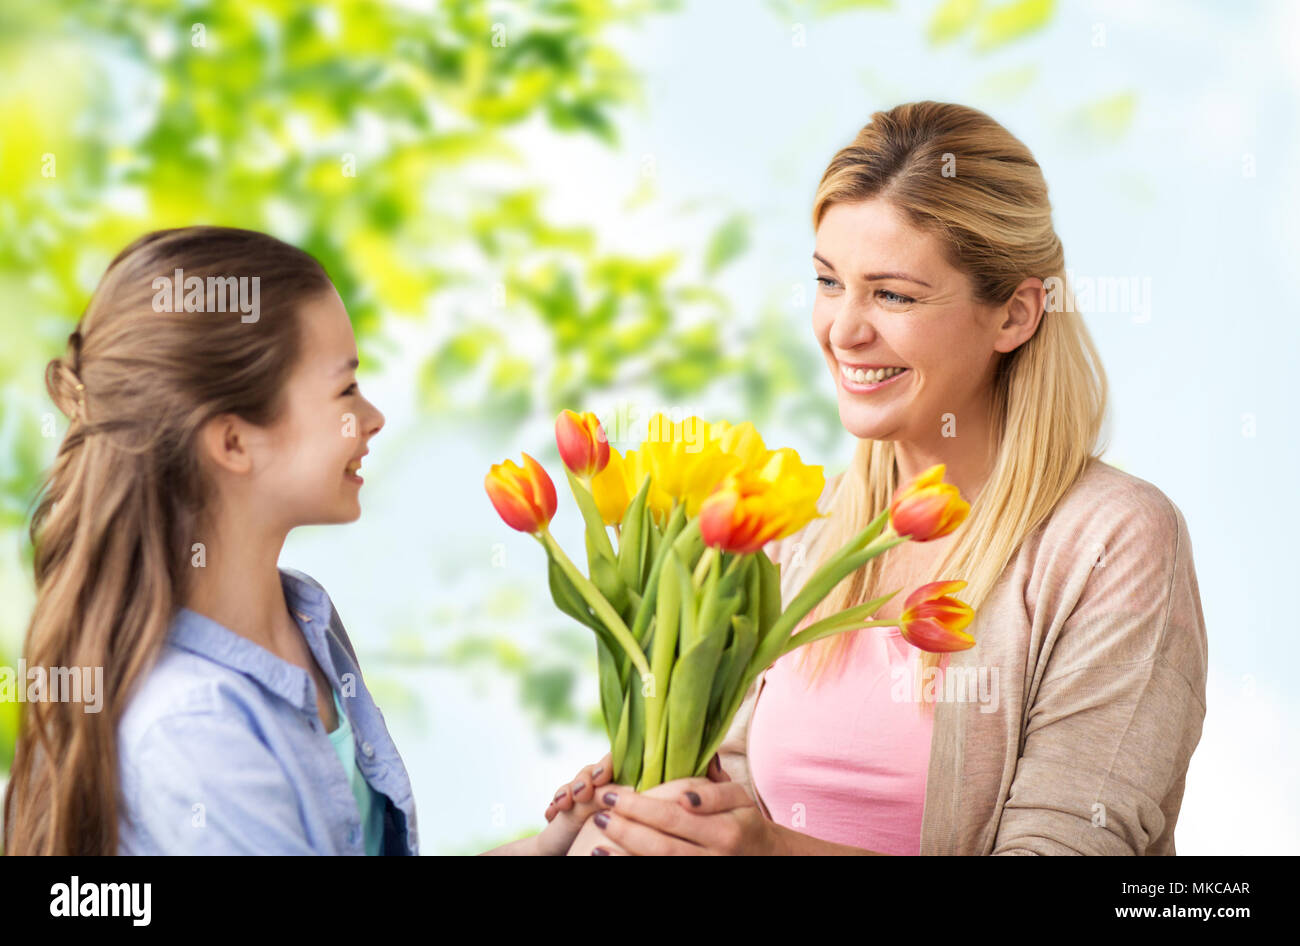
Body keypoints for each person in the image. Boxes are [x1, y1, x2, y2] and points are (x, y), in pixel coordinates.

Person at [552, 101, 1208, 856]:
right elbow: (743, 794)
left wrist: (772, 853)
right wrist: (668, 798)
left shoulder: (1110, 540)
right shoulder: (799, 527)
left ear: (1016, 315)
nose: (844, 330)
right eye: (829, 282)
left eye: (893, 294)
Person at [1, 226, 604, 855]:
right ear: (233, 443)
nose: (373, 419)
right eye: (345, 390)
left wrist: (550, 848)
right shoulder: (196, 729)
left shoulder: (304, 619)